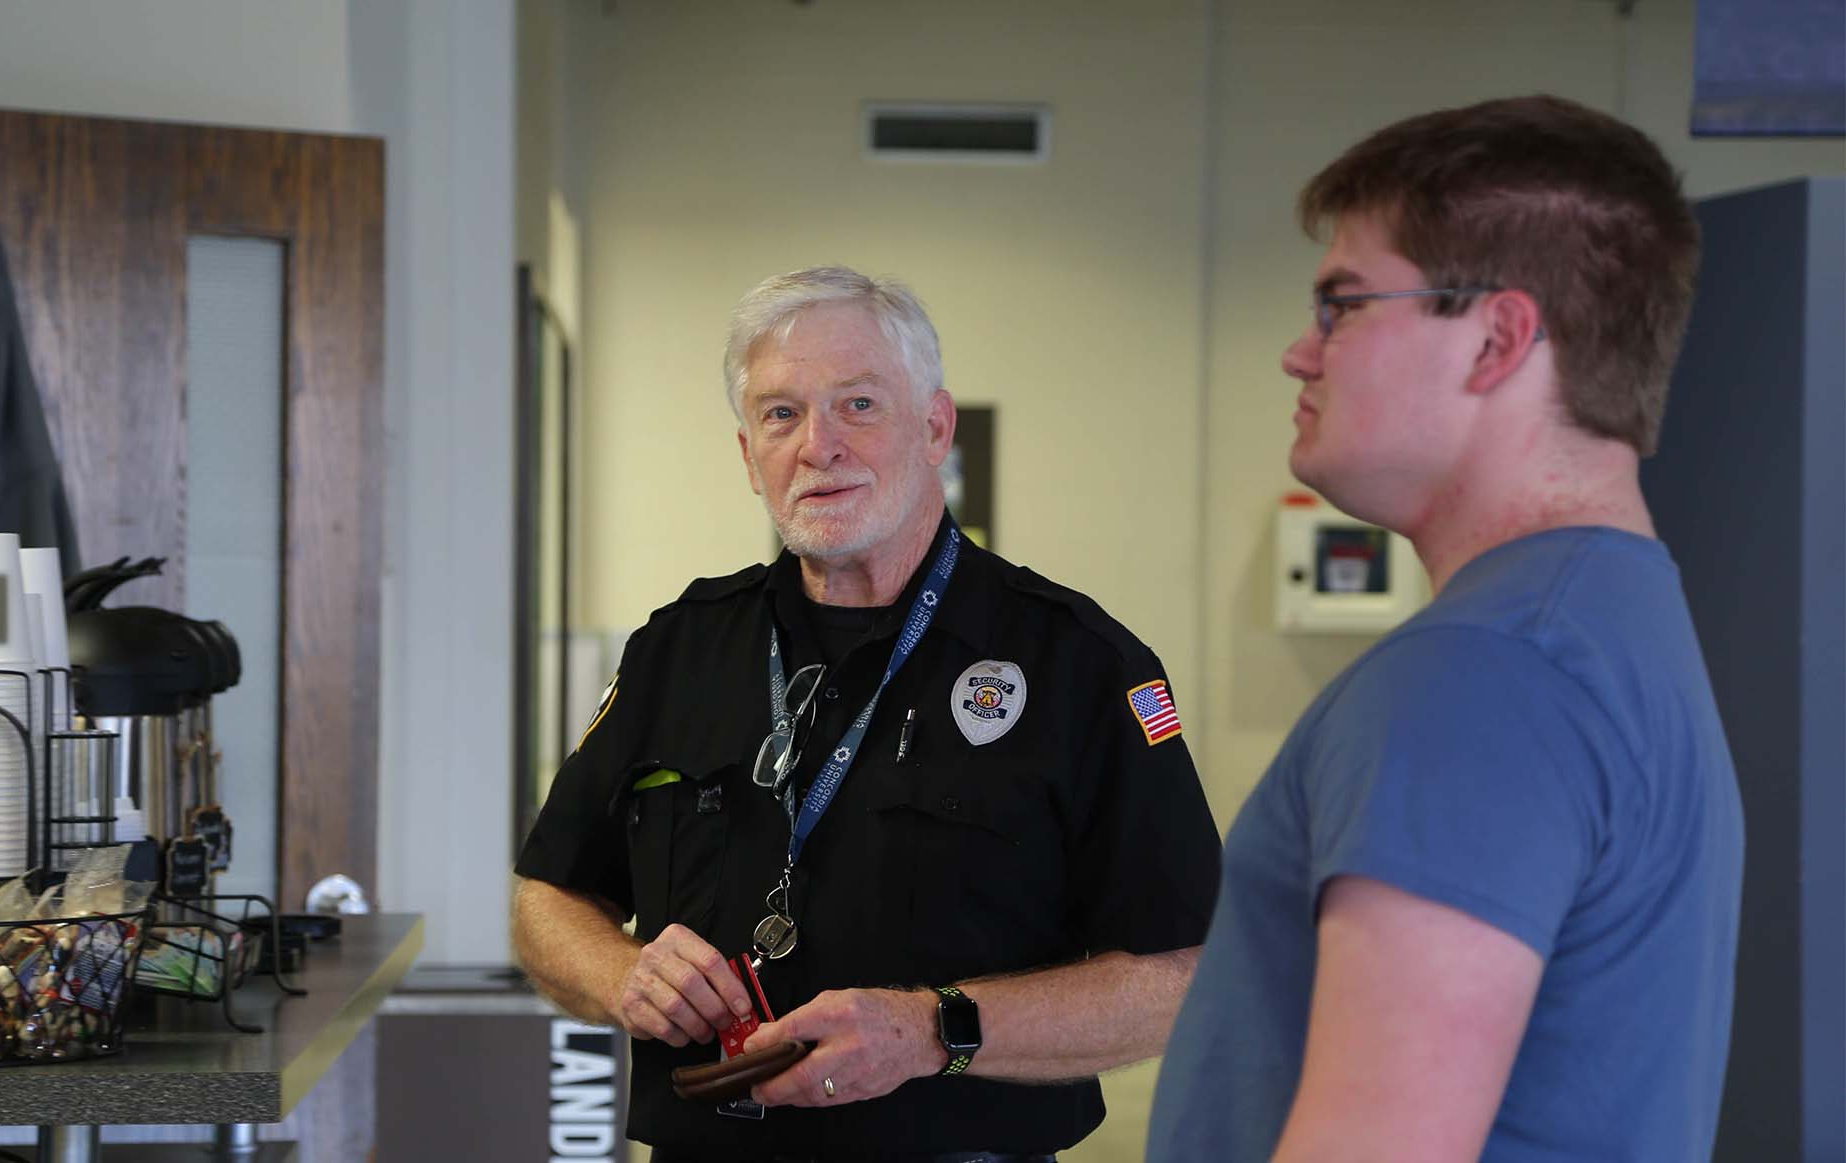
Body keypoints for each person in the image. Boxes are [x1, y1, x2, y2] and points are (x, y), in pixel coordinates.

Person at [1145, 95, 1744, 1162]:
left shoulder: (1481, 674)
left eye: (1342, 304)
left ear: (1497, 337)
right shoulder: (1613, 623)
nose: (1300, 351)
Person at [514, 266, 1222, 1162]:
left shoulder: (1079, 665)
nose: (817, 446)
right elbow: (548, 896)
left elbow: (1182, 974)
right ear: (746, 454)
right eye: (780, 414)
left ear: (933, 428)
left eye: (857, 404)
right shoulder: (679, 649)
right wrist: (620, 975)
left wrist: (937, 1030)